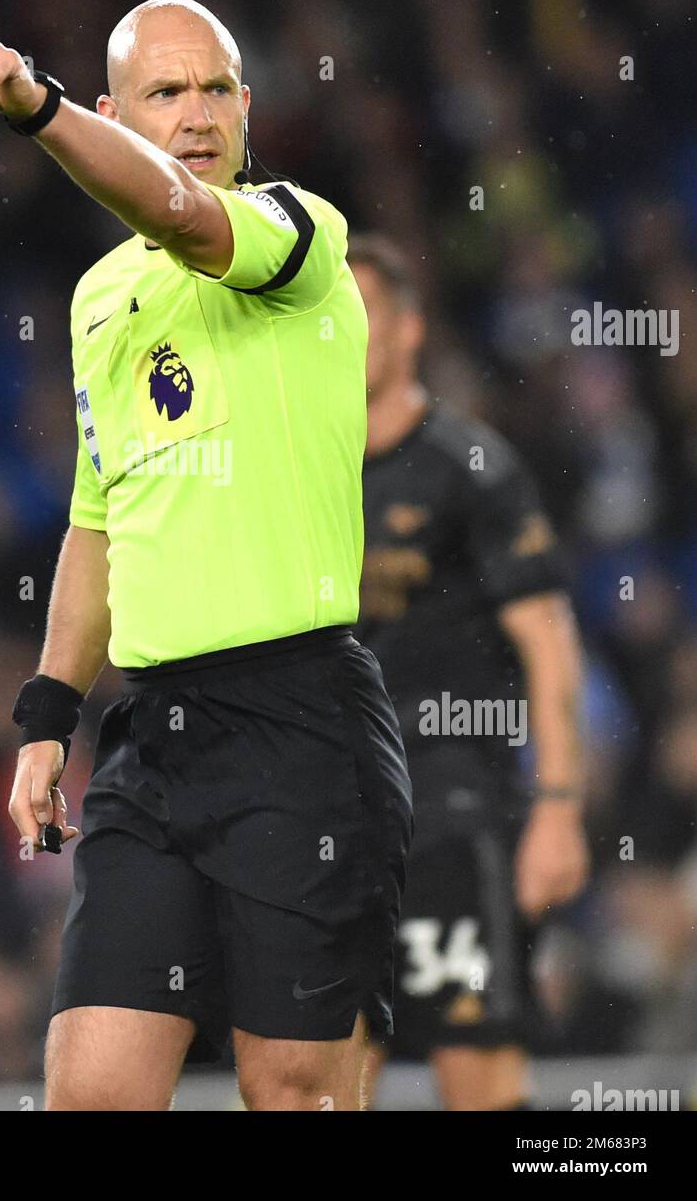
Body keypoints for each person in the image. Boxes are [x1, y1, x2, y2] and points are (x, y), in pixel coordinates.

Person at [0, 0, 413, 1110]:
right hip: (152, 743)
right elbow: (101, 514)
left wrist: (31, 109)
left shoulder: (298, 231)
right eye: (163, 92)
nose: (193, 113)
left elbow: (186, 214)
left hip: (302, 729)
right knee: (90, 1092)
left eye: (212, 89)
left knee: (293, 1093)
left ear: (245, 107)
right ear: (115, 110)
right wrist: (47, 720)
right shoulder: (99, 299)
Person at [348, 235, 590, 1110]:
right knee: (321, 1074)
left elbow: (549, 639)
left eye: (367, 312)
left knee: (473, 1061)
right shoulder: (297, 468)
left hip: (454, 809)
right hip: (331, 816)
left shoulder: (470, 465)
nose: (349, 332)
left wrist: (559, 808)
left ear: (411, 329)